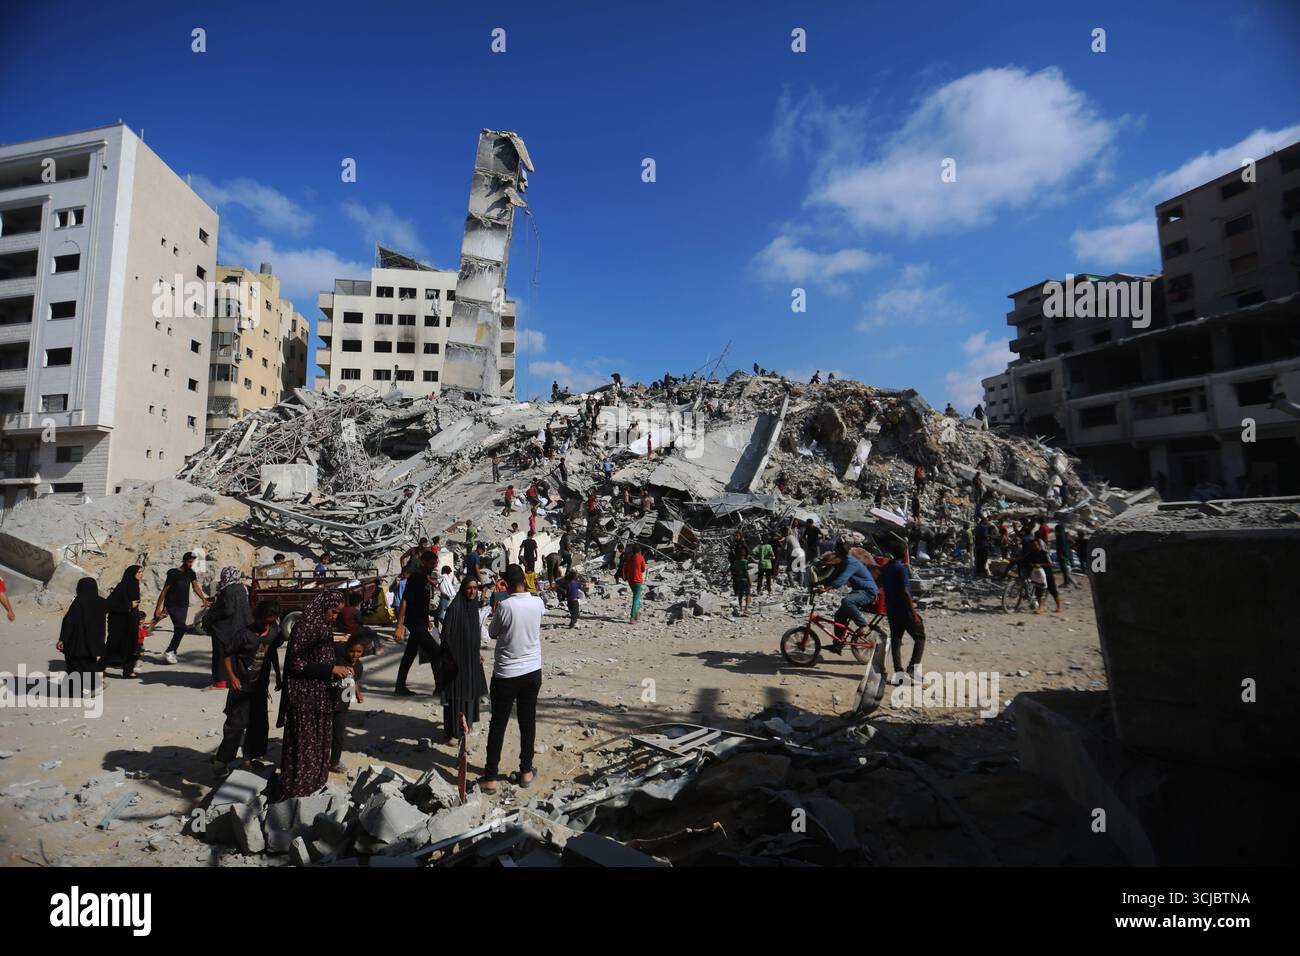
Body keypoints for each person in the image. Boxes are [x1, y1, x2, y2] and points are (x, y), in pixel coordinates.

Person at [278, 590, 351, 796]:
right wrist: (330, 669)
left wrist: (339, 667)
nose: (334, 617)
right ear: (323, 607)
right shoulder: (304, 626)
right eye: (333, 612)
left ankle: (316, 784)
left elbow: (321, 656)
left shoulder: (323, 626)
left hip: (320, 695)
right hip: (304, 696)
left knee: (319, 740)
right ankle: (298, 788)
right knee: (304, 742)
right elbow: (296, 664)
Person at [481, 565, 545, 793]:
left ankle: (490, 778)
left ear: (506, 584)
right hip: (532, 670)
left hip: (507, 673)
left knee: (498, 724)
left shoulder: (506, 606)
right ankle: (526, 772)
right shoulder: (538, 603)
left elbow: (492, 633)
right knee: (528, 722)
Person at [215, 599, 284, 771]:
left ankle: (248, 759)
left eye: (271, 623)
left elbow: (272, 652)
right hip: (242, 687)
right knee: (236, 724)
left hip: (260, 687)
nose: (267, 627)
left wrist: (278, 675)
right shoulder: (243, 635)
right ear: (257, 617)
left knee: (258, 724)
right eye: (265, 622)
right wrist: (232, 677)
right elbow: (227, 655)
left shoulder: (274, 632)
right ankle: (221, 761)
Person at [439, 575, 488, 742]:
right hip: (456, 659)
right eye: (469, 588)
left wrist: (476, 652)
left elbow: (474, 635)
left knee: (470, 690)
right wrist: (452, 659)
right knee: (456, 693)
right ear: (463, 589)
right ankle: (454, 731)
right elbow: (446, 636)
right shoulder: (455, 608)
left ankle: (469, 722)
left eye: (475, 588)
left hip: (471, 657)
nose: (472, 591)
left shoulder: (472, 606)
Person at [816, 542, 880, 652]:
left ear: (839, 552)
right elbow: (833, 576)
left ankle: (864, 625)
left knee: (847, 602)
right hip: (859, 591)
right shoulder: (843, 562)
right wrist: (818, 583)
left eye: (836, 550)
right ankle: (838, 644)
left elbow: (842, 579)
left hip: (868, 592)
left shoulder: (851, 563)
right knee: (839, 615)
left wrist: (826, 589)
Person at [395, 550, 440, 696]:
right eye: (432, 564)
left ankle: (400, 686)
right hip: (415, 623)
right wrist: (399, 626)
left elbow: (423, 603)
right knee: (435, 651)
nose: (434, 567)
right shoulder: (415, 578)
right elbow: (405, 601)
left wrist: (427, 620)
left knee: (410, 653)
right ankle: (440, 687)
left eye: (435, 564)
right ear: (424, 562)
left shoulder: (425, 578)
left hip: (420, 622)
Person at [879, 541, 926, 681]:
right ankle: (912, 669)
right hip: (904, 609)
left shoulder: (885, 568)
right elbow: (905, 592)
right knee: (920, 637)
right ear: (904, 553)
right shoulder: (901, 568)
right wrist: (913, 612)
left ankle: (899, 673)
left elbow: (882, 585)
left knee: (896, 640)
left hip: (891, 609)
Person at [156, 552, 210, 665]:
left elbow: (196, 587)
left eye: (193, 562)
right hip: (172, 605)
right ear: (184, 560)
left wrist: (204, 599)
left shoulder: (191, 573)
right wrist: (158, 608)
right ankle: (170, 651)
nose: (191, 564)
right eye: (189, 562)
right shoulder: (173, 573)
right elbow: (165, 590)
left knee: (179, 629)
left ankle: (172, 652)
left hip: (183, 605)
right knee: (181, 628)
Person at [207, 566, 252, 691]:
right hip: (241, 626)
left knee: (220, 655)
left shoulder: (228, 590)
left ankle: (220, 682)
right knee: (236, 656)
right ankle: (234, 678)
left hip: (225, 628)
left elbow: (228, 610)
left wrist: (213, 614)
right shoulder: (243, 588)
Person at [329, 634, 367, 771]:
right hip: (329, 701)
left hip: (344, 703)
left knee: (338, 735)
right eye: (352, 651)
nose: (355, 654)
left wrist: (358, 693)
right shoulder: (337, 661)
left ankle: (334, 762)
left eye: (359, 652)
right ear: (346, 650)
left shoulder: (359, 666)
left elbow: (354, 681)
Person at [57, 577, 107, 676]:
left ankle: (79, 688)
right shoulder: (101, 602)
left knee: (75, 666)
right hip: (93, 643)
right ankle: (94, 685)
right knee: (89, 664)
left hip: (78, 643)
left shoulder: (79, 602)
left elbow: (69, 621)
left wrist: (63, 639)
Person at [104, 565, 145, 679]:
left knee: (131, 645)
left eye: (142, 572)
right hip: (119, 623)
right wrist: (128, 605)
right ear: (132, 574)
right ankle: (99, 667)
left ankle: (128, 671)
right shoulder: (122, 587)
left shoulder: (135, 586)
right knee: (113, 645)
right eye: (139, 572)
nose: (141, 574)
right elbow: (109, 605)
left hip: (131, 621)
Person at [1026, 538, 1062, 613]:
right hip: (1038, 575)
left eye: (1035, 545)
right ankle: (1040, 608)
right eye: (1033, 545)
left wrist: (1040, 564)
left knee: (1052, 590)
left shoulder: (1044, 553)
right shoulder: (1032, 553)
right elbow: (1026, 559)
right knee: (1038, 591)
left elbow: (1050, 563)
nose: (1034, 546)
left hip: (1047, 574)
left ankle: (1059, 606)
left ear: (1039, 545)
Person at [621, 543, 647, 621]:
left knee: (637, 596)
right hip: (637, 580)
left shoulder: (629, 558)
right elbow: (643, 569)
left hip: (630, 580)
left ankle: (637, 613)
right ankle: (632, 616)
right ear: (639, 551)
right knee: (636, 597)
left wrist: (625, 576)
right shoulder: (640, 558)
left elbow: (624, 568)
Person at [1054, 517, 1075, 588]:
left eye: (1056, 530)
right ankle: (1068, 581)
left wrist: (1064, 552)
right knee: (1065, 568)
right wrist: (1069, 547)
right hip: (1065, 555)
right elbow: (1073, 543)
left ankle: (1067, 582)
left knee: (1064, 568)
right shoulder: (1065, 535)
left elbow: (1061, 547)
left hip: (1063, 556)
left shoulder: (1061, 537)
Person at [731, 549, 752, 616]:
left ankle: (740, 608)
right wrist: (749, 580)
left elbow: (734, 571)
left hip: (738, 580)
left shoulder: (736, 562)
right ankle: (746, 608)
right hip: (745, 580)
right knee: (748, 594)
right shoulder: (745, 562)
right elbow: (746, 572)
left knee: (740, 594)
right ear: (744, 555)